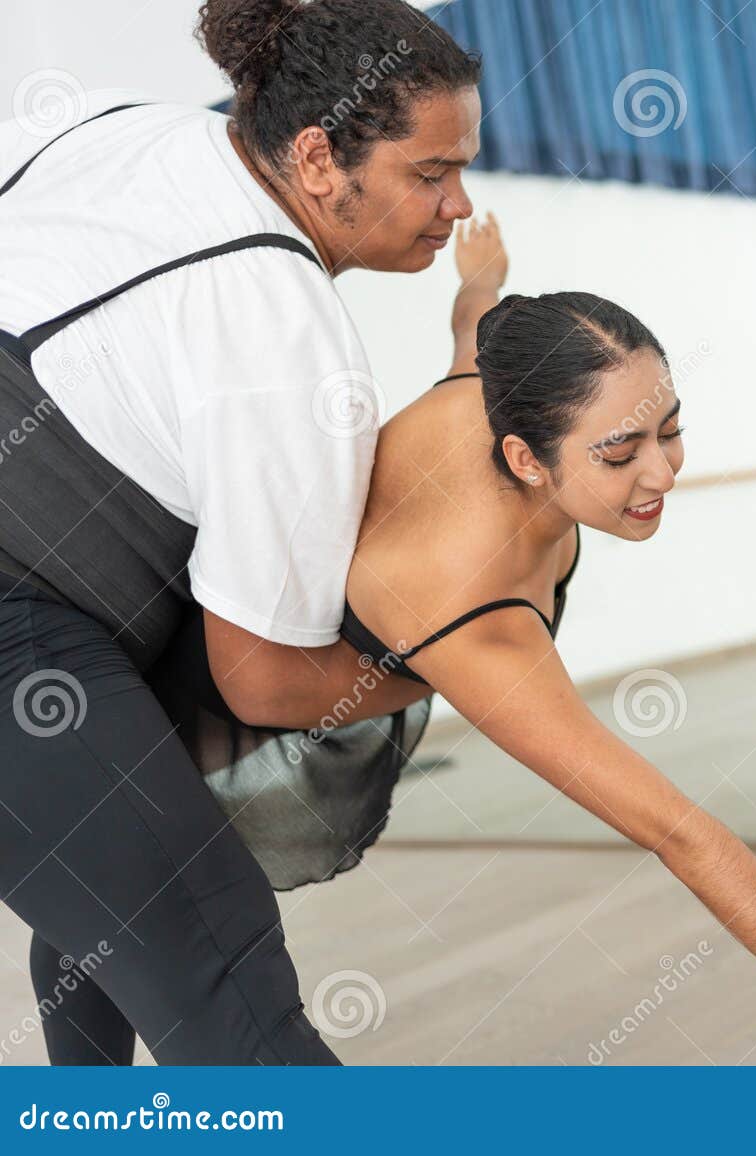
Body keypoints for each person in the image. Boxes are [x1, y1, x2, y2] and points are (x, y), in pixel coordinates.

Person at [32, 217, 756, 1067]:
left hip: (308, 645)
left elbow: (475, 335)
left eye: (670, 430)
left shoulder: (501, 386)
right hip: (195, 691)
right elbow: (679, 832)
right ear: (523, 456)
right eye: (620, 452)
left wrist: (480, 278)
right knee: (128, 906)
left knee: (101, 912)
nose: (661, 473)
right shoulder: (473, 614)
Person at [0, 0, 483, 1064]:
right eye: (431, 172)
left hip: (44, 626)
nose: (459, 203)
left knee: (104, 923)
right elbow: (263, 677)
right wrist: (447, 667)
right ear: (318, 157)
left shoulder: (113, 124)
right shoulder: (290, 335)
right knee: (226, 982)